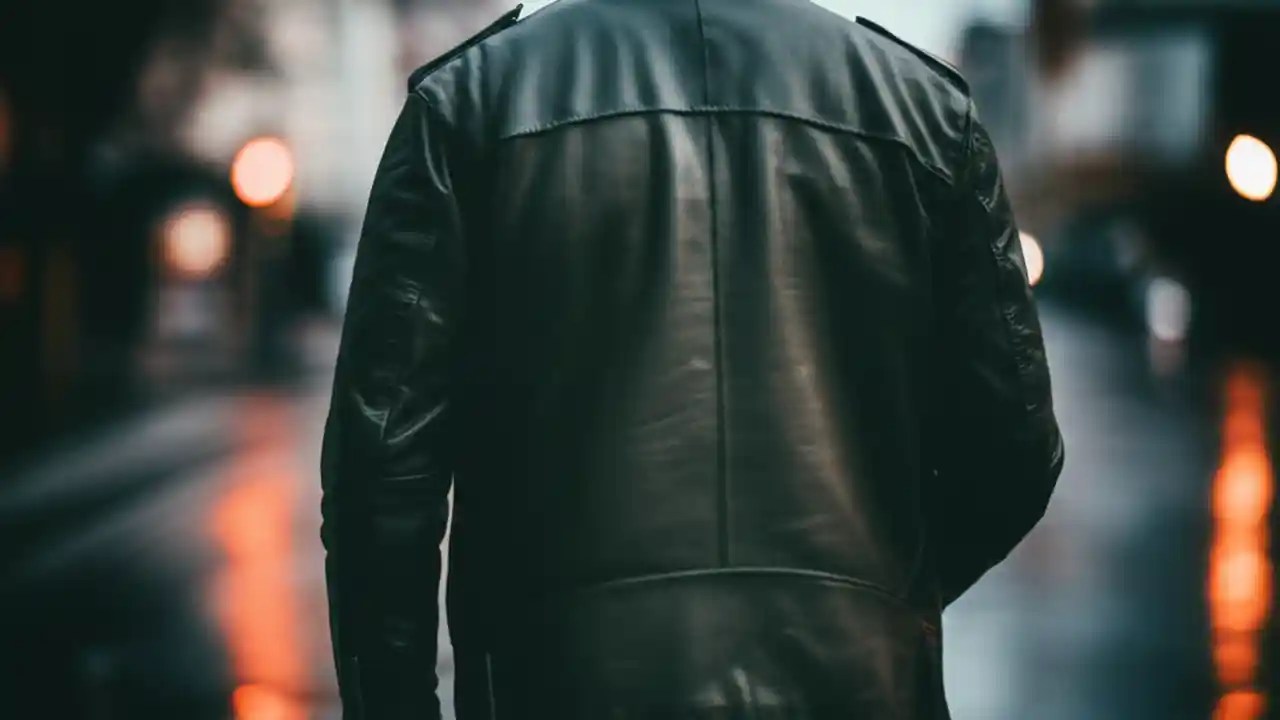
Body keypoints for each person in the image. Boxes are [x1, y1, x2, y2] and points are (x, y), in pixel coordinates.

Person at [320, 0, 1065, 717]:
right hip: (855, 681)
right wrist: (869, 599)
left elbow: (380, 474)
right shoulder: (926, 115)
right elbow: (1015, 451)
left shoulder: (470, 103)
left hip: (559, 682)